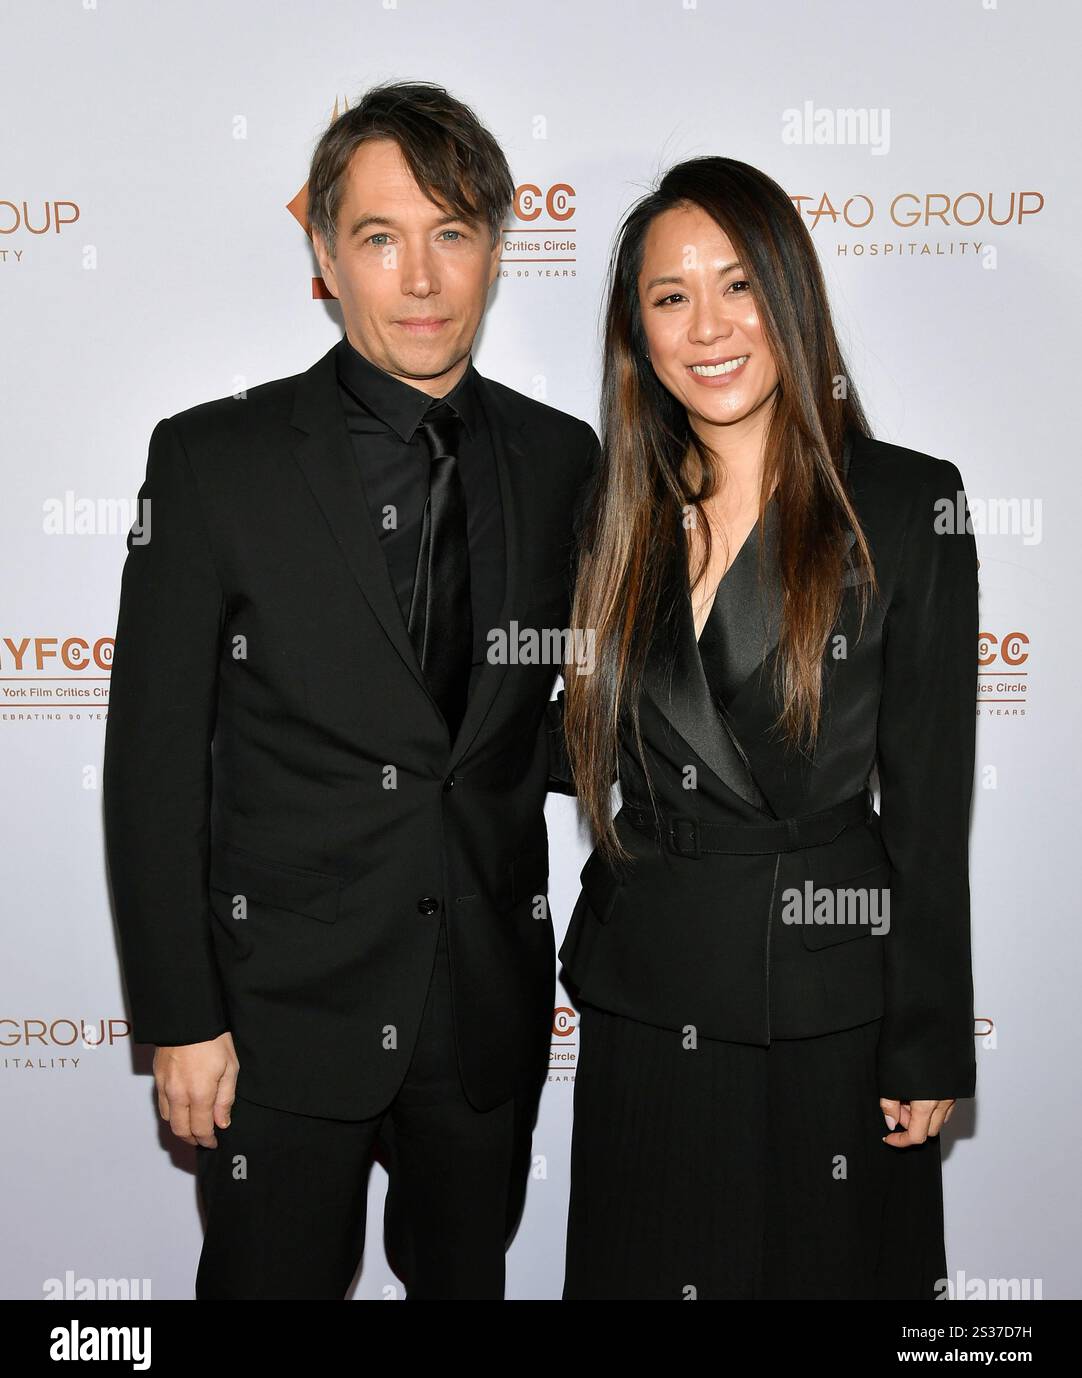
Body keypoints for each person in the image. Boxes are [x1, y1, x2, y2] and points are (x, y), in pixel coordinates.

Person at [103, 80, 599, 1300]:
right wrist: (180, 1015)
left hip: (482, 1007)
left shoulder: (561, 459)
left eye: (451, 234)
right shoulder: (213, 460)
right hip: (275, 1016)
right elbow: (154, 762)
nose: (420, 280)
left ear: (495, 246)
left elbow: (554, 725)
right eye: (380, 239)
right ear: (324, 255)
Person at [552, 156, 979, 1299]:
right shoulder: (611, 512)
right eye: (668, 296)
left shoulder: (900, 503)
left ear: (790, 295)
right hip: (648, 997)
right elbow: (584, 732)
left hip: (825, 1010)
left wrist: (927, 1036)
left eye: (737, 285)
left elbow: (930, 804)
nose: (708, 326)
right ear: (636, 334)